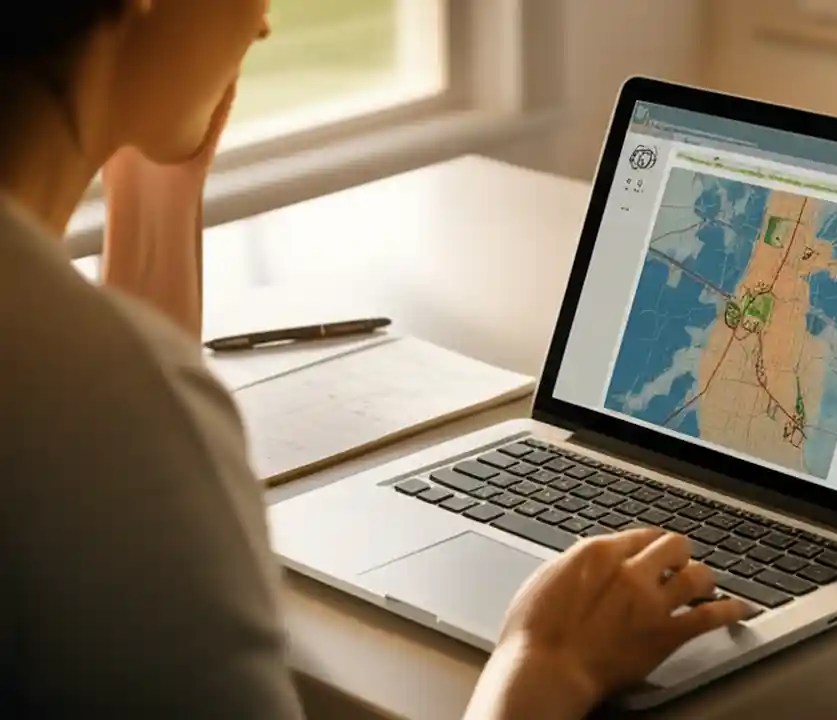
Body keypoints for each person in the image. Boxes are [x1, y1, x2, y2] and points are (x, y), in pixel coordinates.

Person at [0, 2, 748, 717]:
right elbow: (127, 420)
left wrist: (159, 180)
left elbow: (125, 449)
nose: (264, 22)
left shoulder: (77, 372)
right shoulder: (110, 404)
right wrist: (547, 663)